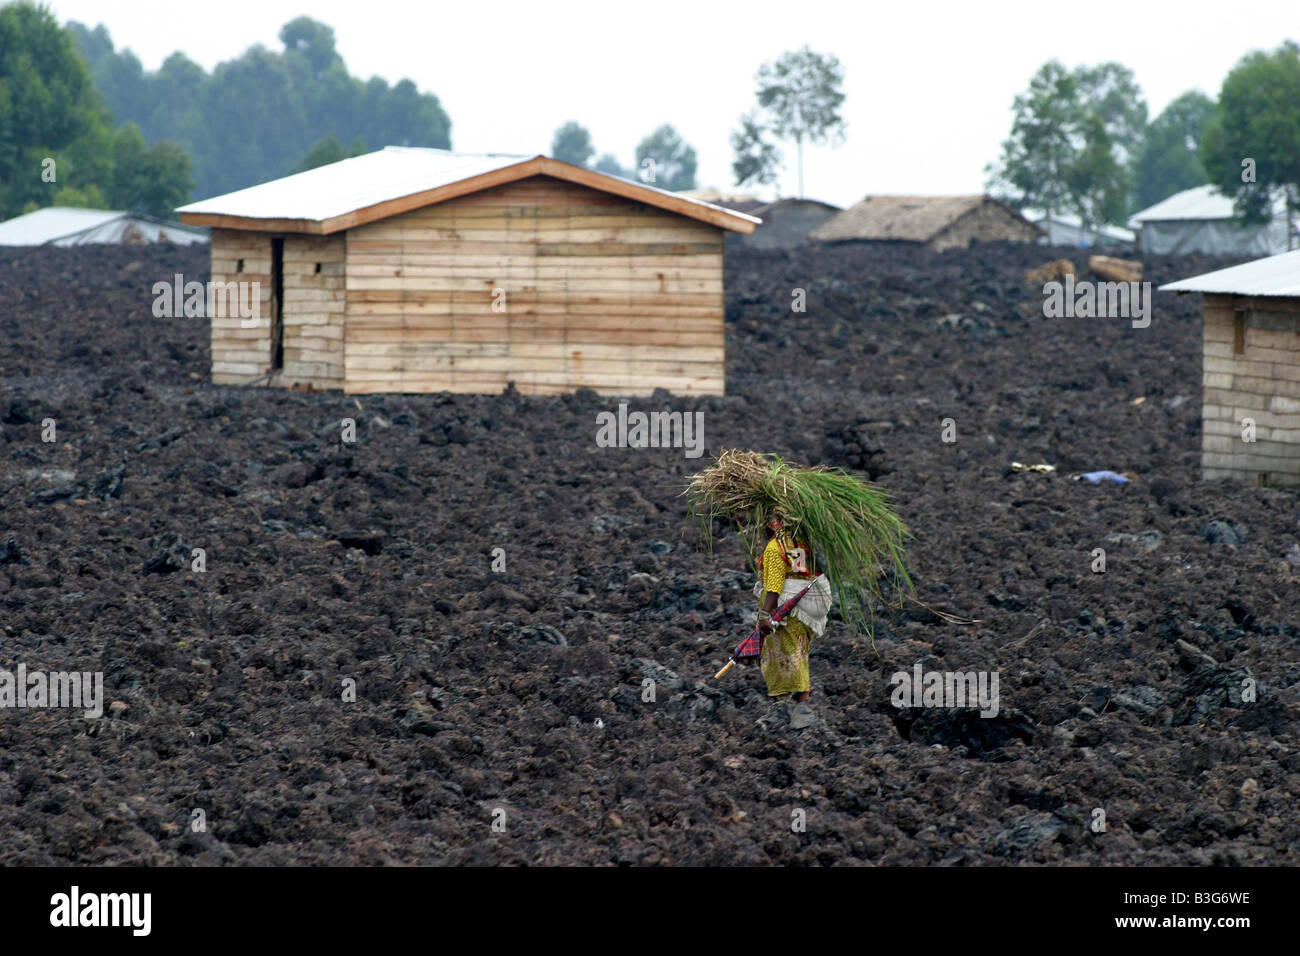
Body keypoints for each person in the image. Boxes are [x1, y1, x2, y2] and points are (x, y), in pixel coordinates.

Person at [751, 511, 831, 702]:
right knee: (798, 654)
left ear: (772, 523)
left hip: (785, 611)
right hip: (804, 609)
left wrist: (764, 614)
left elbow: (774, 587)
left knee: (779, 657)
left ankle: (785, 705)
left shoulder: (774, 548)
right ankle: (802, 700)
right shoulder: (800, 541)